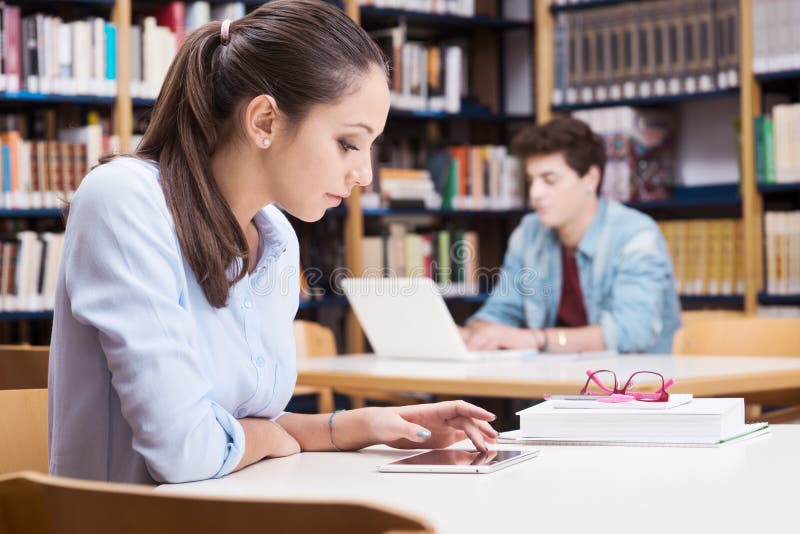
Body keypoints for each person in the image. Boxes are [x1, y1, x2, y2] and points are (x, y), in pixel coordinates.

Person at [48, 0, 497, 485]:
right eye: (348, 143)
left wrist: (362, 425)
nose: (364, 174)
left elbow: (229, 425)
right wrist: (265, 438)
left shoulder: (276, 236)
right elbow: (185, 451)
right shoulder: (124, 199)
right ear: (264, 121)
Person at [461, 117, 681, 354]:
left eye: (549, 180)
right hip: (553, 384)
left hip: (630, 385)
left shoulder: (636, 235)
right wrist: (473, 334)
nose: (535, 193)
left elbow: (632, 331)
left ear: (591, 179)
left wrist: (537, 340)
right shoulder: (529, 233)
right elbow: (501, 311)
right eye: (531, 181)